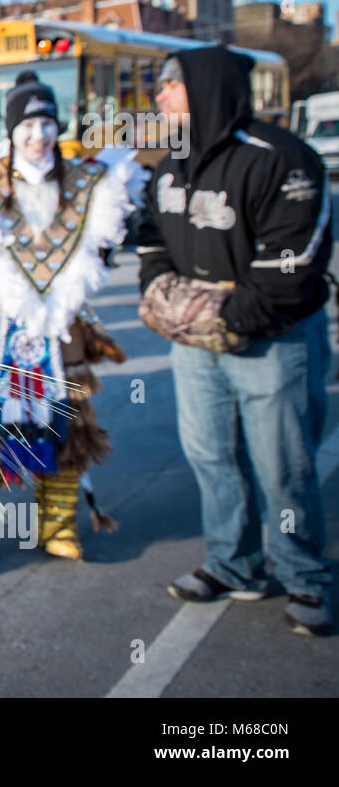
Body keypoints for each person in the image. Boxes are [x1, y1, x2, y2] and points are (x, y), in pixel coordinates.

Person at [0, 71, 145, 579]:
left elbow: (111, 241)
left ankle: (58, 527)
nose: (38, 136)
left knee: (66, 431)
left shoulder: (85, 181)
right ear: (12, 132)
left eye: (46, 124)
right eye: (27, 126)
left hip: (62, 335)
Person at [135, 47, 333, 636]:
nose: (160, 97)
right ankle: (233, 564)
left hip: (272, 341)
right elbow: (152, 239)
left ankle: (305, 576)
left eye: (169, 86)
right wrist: (162, 299)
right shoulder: (170, 163)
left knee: (283, 466)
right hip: (194, 343)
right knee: (211, 456)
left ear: (206, 88)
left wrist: (216, 318)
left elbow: (291, 267)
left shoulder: (284, 160)